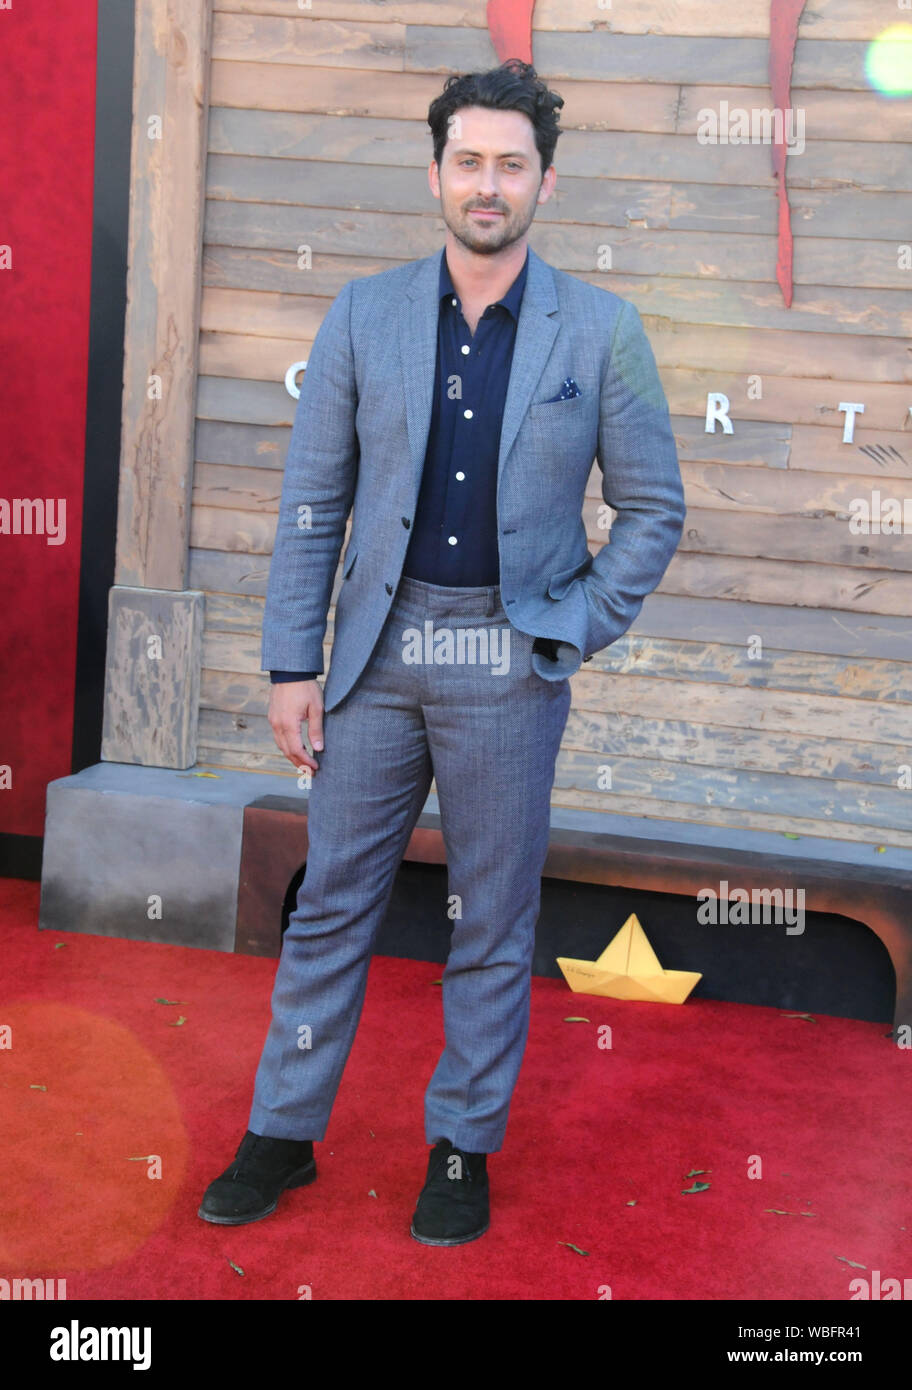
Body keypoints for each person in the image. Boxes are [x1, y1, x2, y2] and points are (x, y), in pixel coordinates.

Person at [199, 59, 685, 1245]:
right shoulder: (364, 313)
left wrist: (566, 627)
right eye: (468, 160)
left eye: (510, 164)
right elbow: (315, 499)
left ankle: (461, 1147)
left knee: (492, 918)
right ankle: (283, 1132)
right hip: (376, 652)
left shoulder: (604, 331)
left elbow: (655, 508)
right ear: (436, 174)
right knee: (330, 907)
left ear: (544, 185)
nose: (488, 182)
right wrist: (288, 665)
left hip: (509, 662)